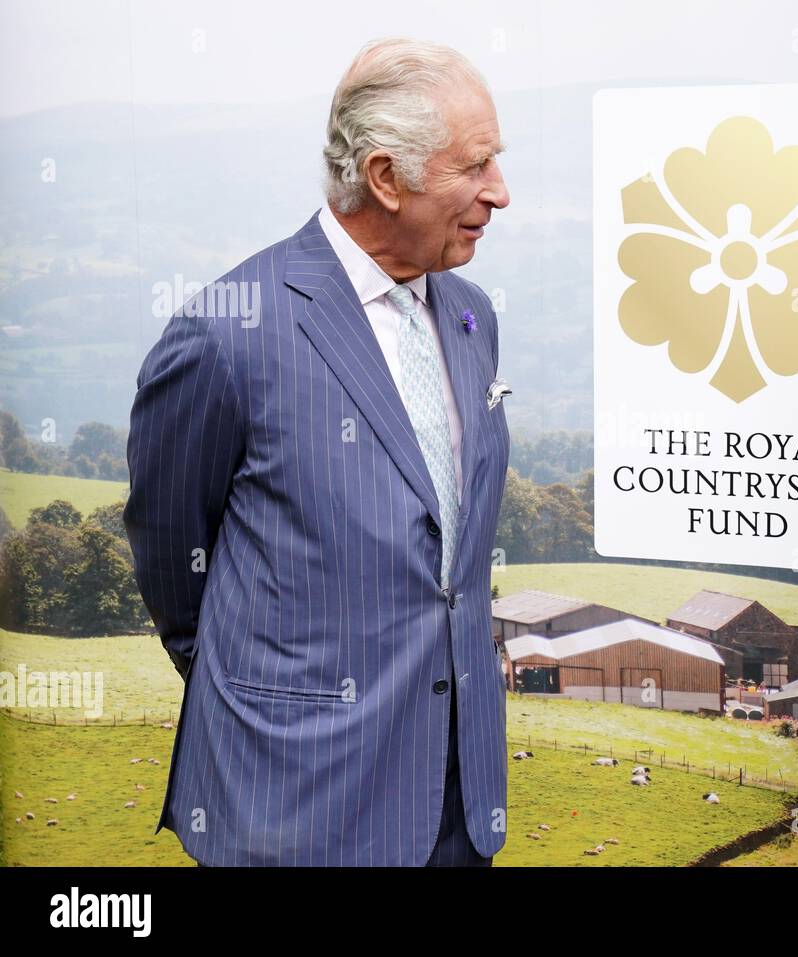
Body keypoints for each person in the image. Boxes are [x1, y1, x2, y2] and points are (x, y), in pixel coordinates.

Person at [124, 38, 511, 866]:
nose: (499, 192)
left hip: (459, 807)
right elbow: (175, 560)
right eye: (476, 165)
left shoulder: (474, 316)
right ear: (386, 177)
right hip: (296, 809)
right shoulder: (228, 332)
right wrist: (268, 694)